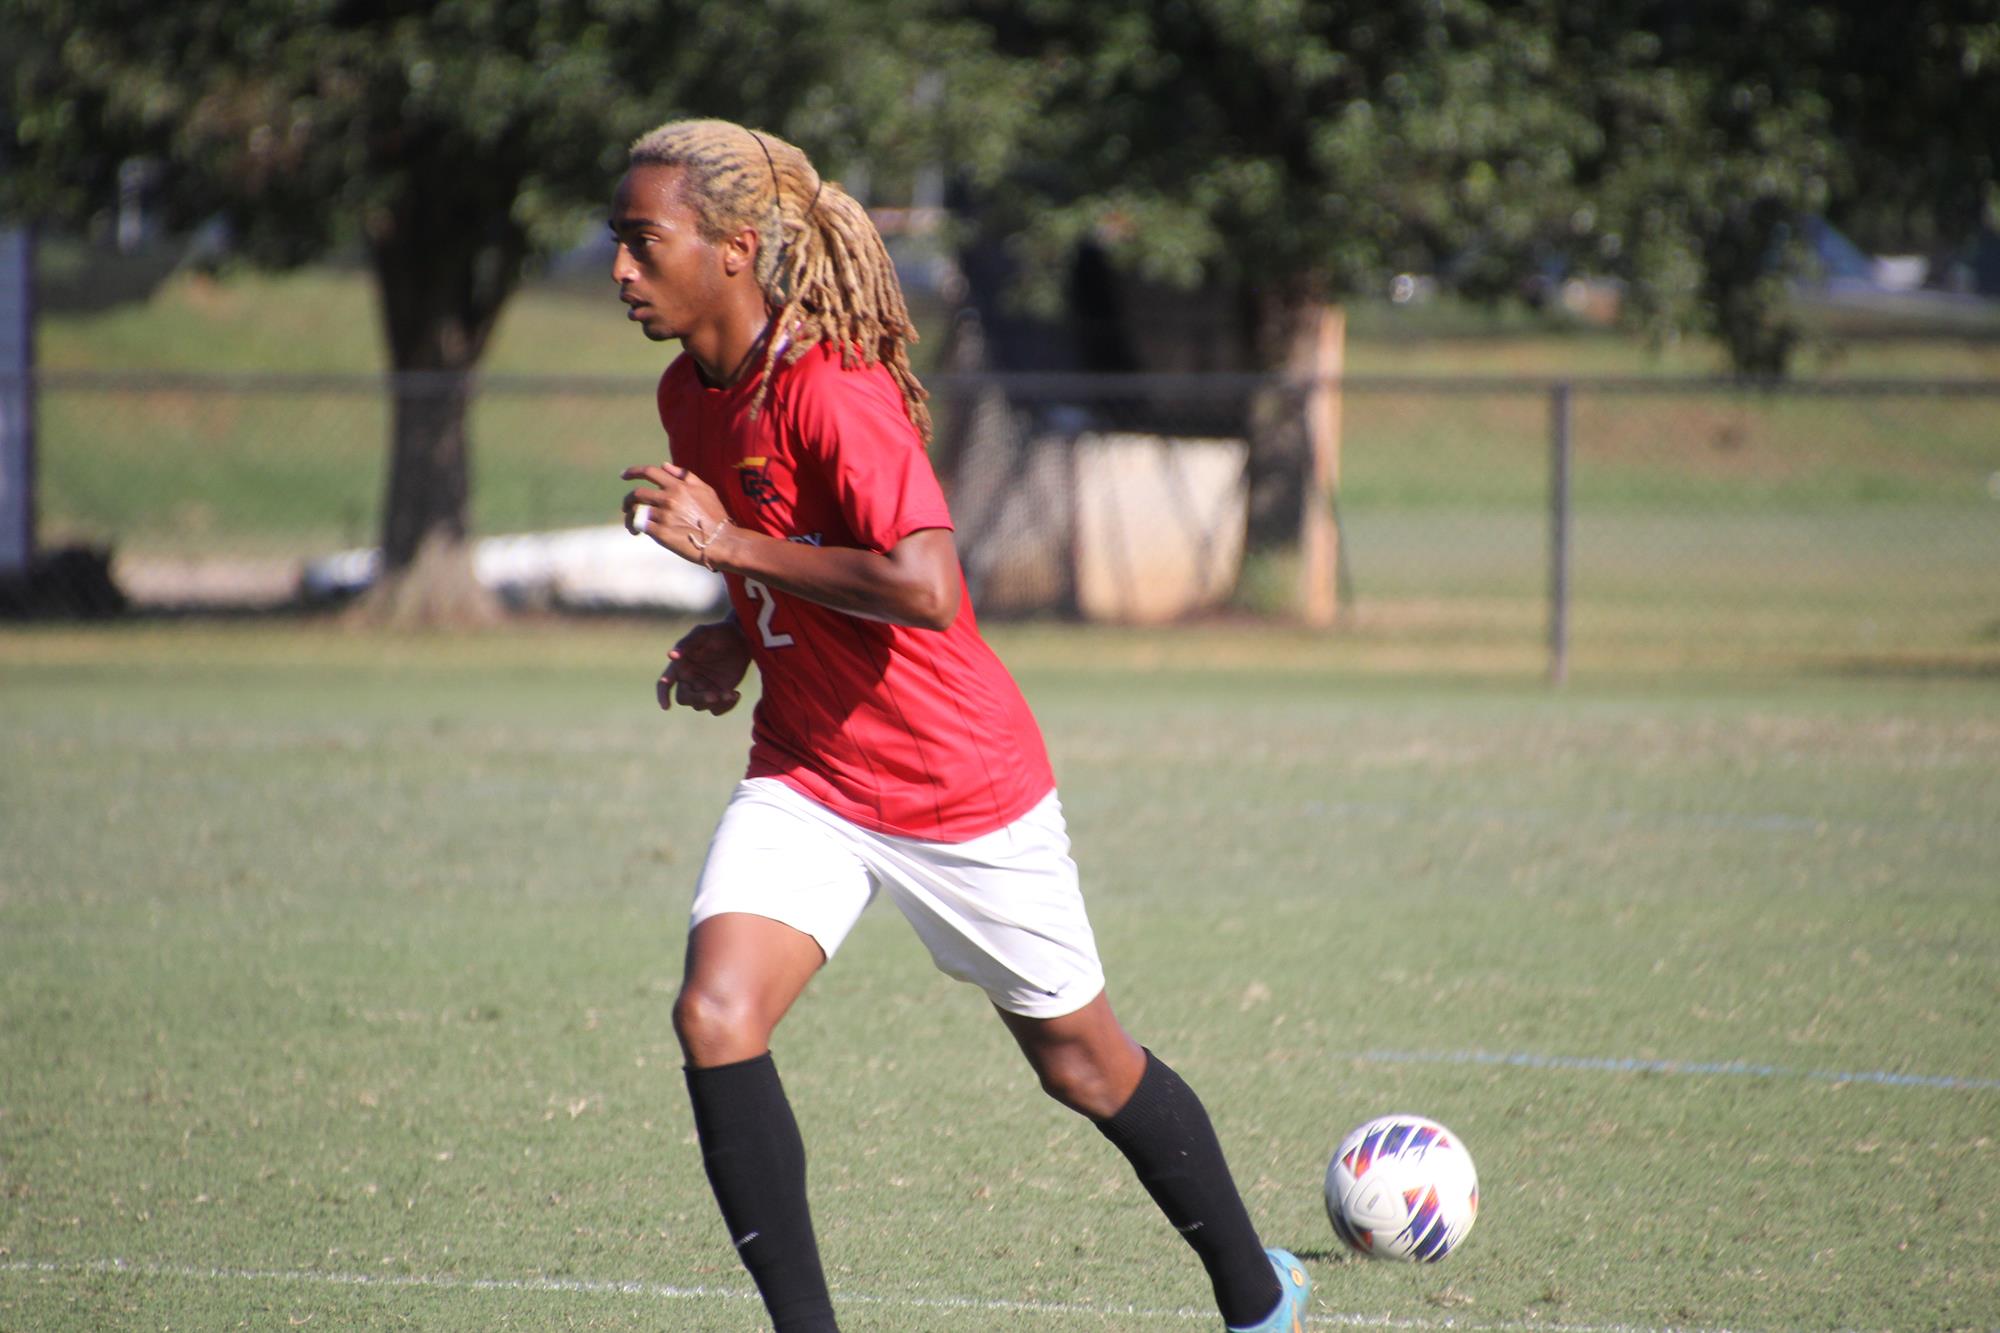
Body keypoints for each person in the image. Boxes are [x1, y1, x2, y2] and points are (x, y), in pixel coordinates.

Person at [610, 118, 1311, 1333]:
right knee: (715, 1013)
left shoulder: (836, 387)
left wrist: (725, 546)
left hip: (954, 785)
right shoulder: (689, 394)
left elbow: (925, 584)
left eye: (641, 241)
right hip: (810, 773)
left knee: (1082, 1064)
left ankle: (1255, 1296)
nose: (620, 268)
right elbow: (786, 557)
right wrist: (737, 623)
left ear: (732, 250)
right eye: (614, 243)